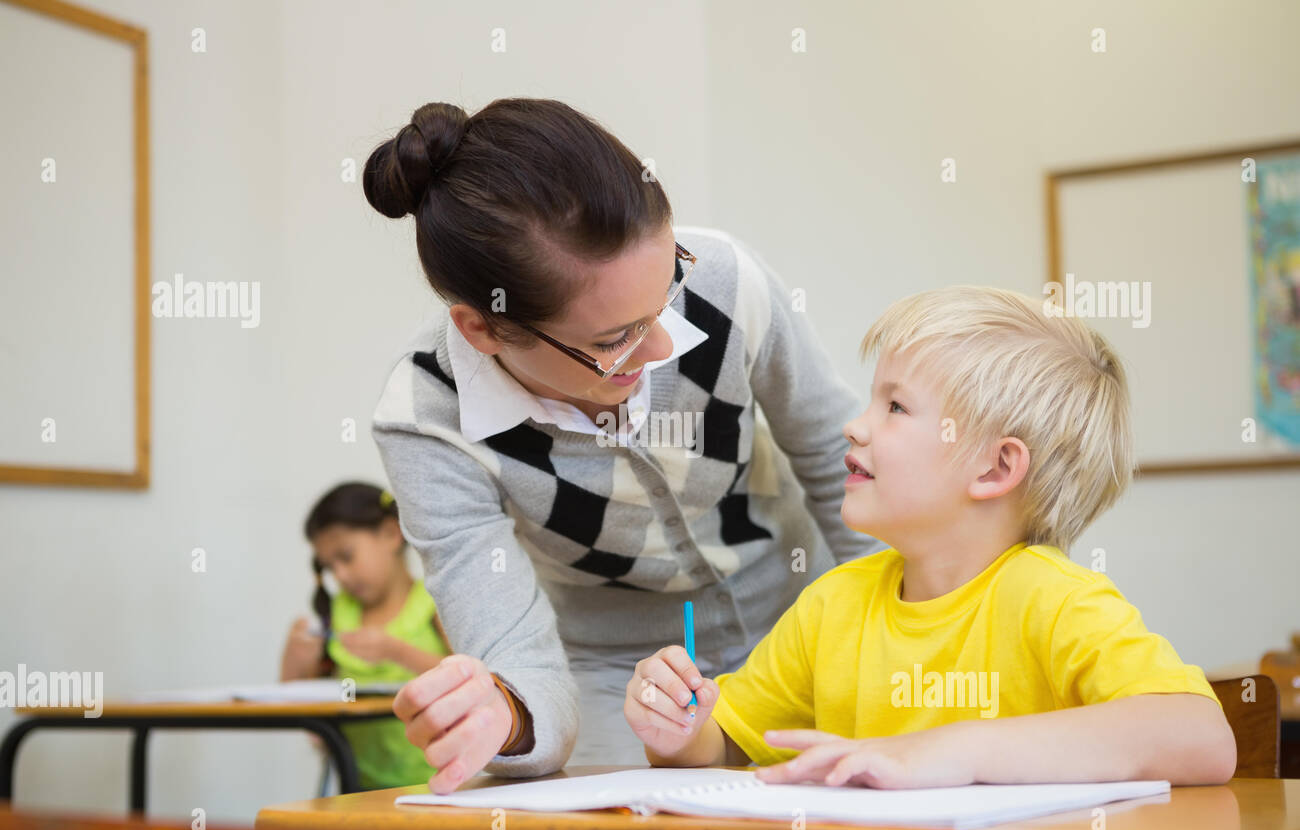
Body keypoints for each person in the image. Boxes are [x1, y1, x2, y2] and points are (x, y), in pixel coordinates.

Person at [361, 98, 883, 793]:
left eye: (667, 290)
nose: (664, 345)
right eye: (615, 340)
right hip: (617, 677)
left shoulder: (725, 282)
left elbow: (836, 463)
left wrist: (905, 634)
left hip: (805, 627)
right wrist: (505, 715)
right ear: (483, 330)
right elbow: (521, 667)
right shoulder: (427, 416)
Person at [623, 286, 1237, 787]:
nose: (853, 427)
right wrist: (679, 731)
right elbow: (724, 748)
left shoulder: (1055, 600)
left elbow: (1203, 740)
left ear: (995, 468)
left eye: (895, 407)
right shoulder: (833, 605)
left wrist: (953, 751)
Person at [280, 481, 451, 789]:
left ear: (390, 533)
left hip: (434, 785)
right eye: (330, 567)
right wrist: (294, 660)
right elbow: (295, 706)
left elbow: (469, 679)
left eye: (346, 557)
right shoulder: (334, 615)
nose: (341, 576)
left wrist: (397, 651)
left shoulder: (433, 603)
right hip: (354, 786)